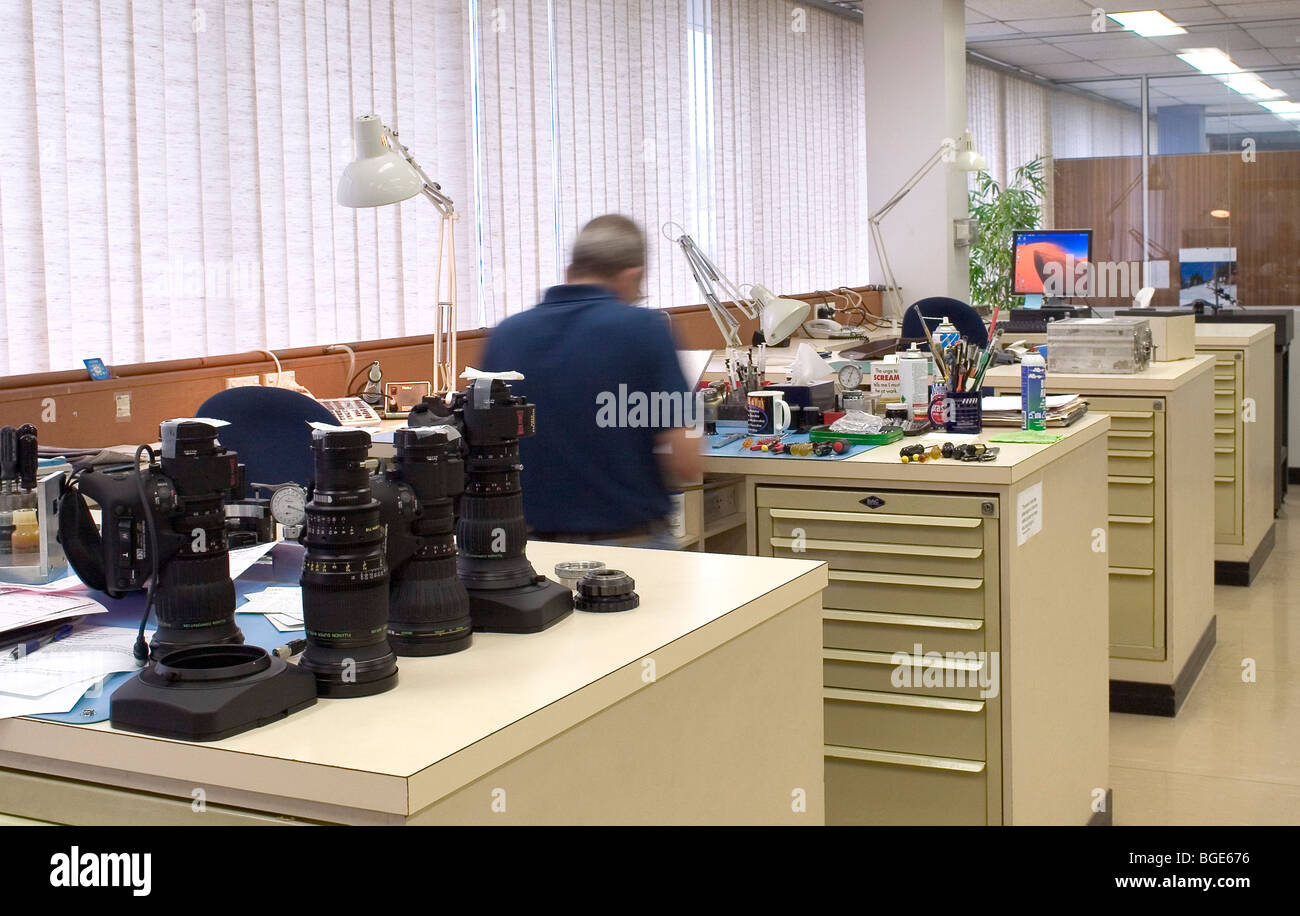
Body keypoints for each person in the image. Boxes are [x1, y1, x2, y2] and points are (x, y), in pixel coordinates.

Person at [481, 214, 701, 548]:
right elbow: (685, 462)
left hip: (530, 553)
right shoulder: (647, 330)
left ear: (571, 271)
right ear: (632, 276)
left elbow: (484, 445)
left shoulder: (506, 335)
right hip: (631, 547)